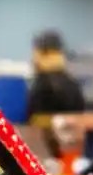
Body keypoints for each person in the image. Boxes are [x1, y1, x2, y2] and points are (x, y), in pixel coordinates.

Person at [26, 29, 86, 167]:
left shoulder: (44, 84)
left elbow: (36, 119)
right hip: (66, 151)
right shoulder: (70, 83)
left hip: (50, 150)